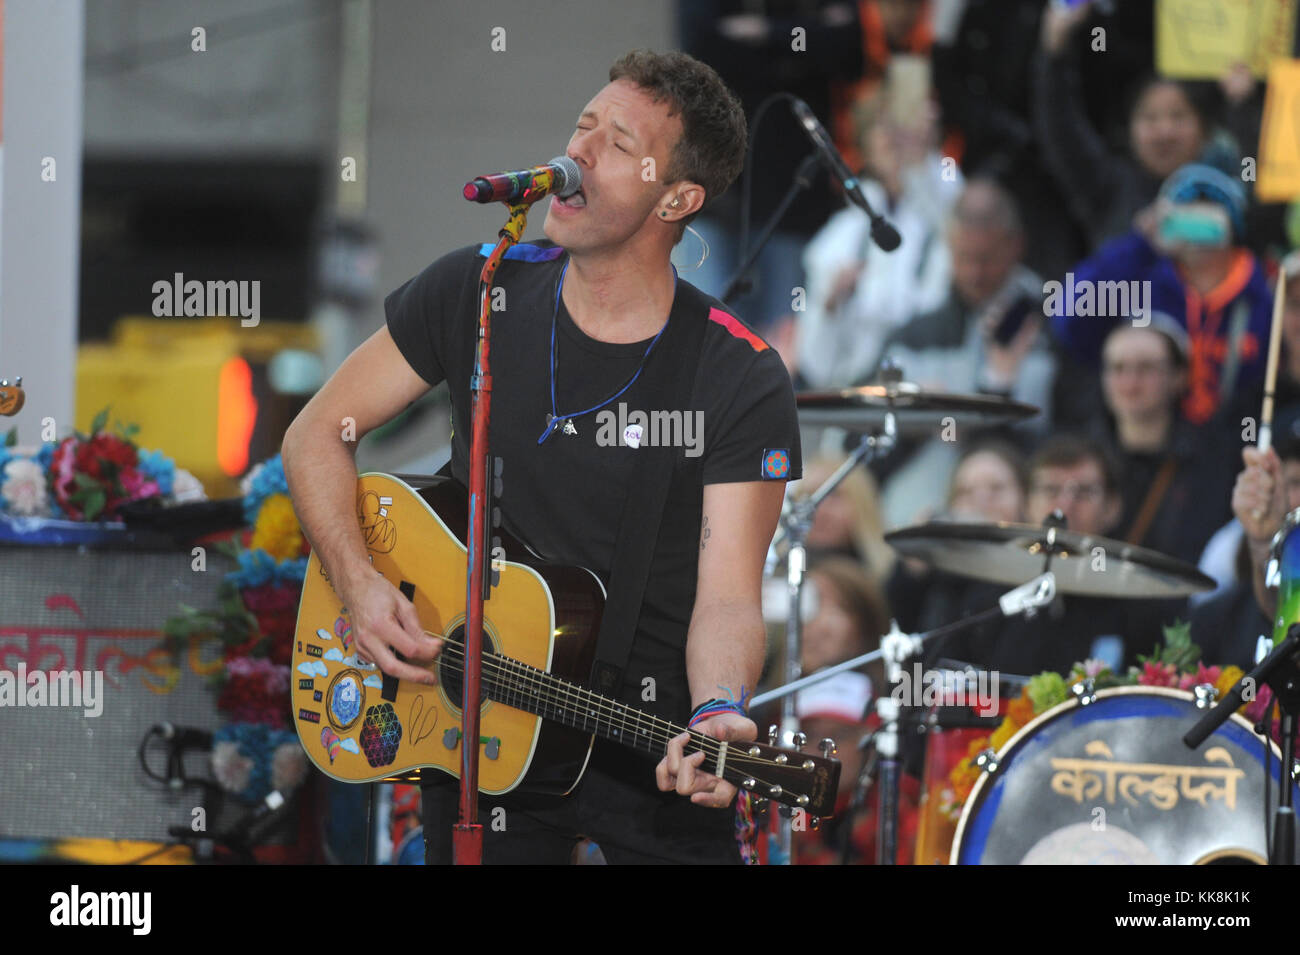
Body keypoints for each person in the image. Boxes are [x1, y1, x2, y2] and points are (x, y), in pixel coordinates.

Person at [281, 50, 802, 864]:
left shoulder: (738, 375)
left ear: (679, 196)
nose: (576, 156)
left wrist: (718, 710)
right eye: (582, 126)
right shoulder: (477, 289)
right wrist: (358, 582)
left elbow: (730, 597)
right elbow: (318, 433)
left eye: (619, 144)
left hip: (647, 756)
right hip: (482, 743)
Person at [797, 84, 961, 388]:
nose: (899, 141)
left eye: (904, 130)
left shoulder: (940, 212)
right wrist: (830, 306)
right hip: (858, 397)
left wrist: (923, 161)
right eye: (887, 132)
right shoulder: (838, 238)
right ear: (867, 148)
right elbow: (815, 366)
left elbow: (956, 212)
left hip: (929, 390)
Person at [1091, 322, 1236, 564]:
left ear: (1179, 376)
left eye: (1146, 368)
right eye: (1117, 368)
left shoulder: (1216, 459)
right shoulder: (1084, 454)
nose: (1130, 383)